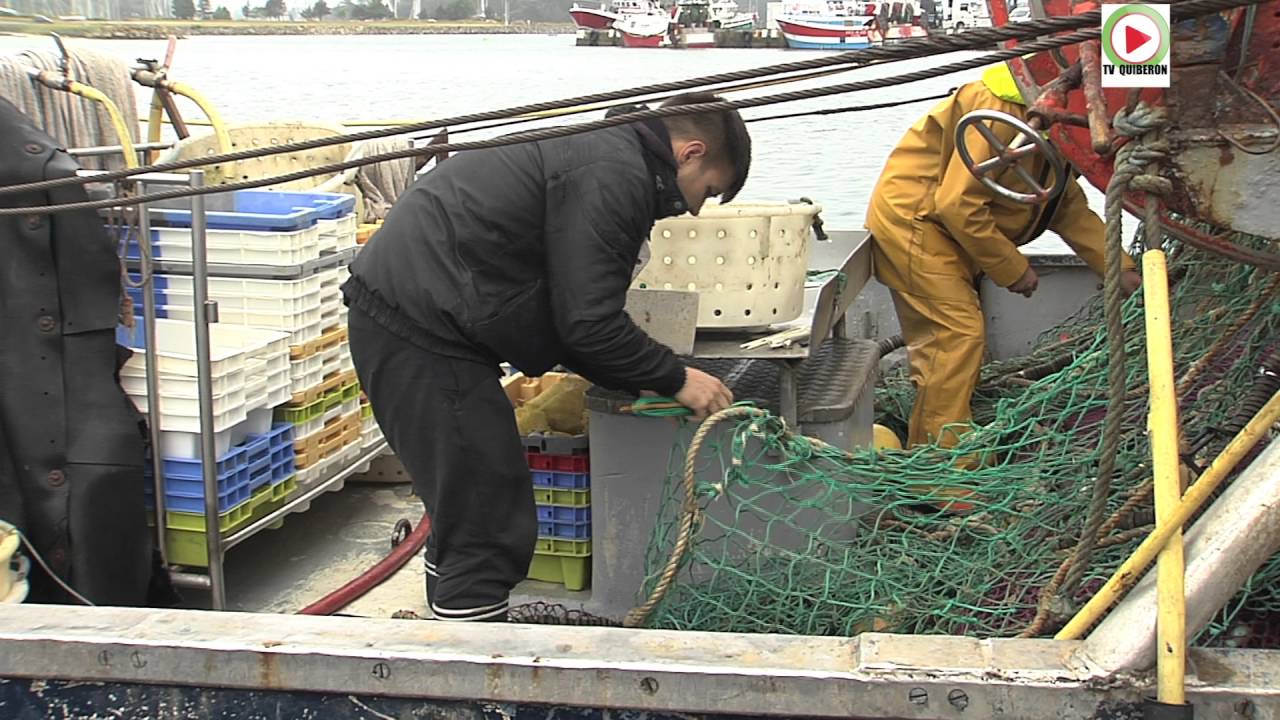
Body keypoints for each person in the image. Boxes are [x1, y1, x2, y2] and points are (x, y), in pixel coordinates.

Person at [341, 93, 751, 622]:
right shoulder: (614, 172)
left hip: (418, 316)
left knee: (467, 505)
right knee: (488, 516)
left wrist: (639, 375)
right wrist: (673, 377)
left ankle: (449, 630)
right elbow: (587, 324)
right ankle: (469, 669)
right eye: (708, 190)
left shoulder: (605, 152)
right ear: (691, 153)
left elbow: (573, 316)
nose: (694, 207)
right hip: (419, 328)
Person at [865, 63, 1141, 450]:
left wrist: (1121, 269)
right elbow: (957, 204)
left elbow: (1061, 203)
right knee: (954, 337)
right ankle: (941, 467)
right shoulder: (998, 107)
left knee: (954, 345)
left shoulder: (1058, 116)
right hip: (918, 226)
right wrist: (1013, 269)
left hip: (956, 235)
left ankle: (945, 438)